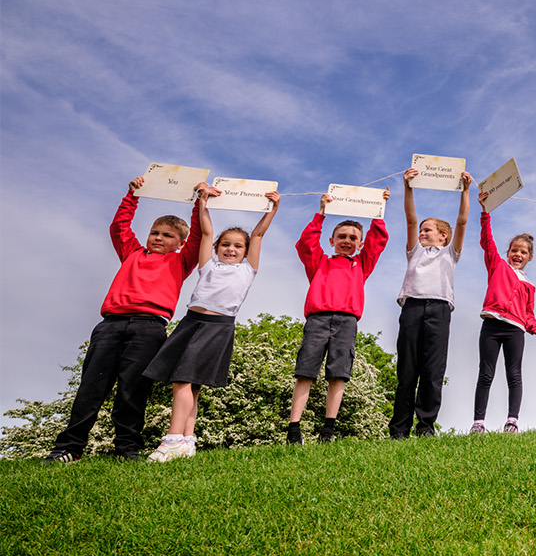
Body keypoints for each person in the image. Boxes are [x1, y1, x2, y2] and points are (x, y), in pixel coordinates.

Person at [45, 177, 206, 462]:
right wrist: (132, 195)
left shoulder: (181, 261)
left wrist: (199, 202)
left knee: (133, 391)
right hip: (110, 326)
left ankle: (127, 449)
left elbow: (197, 237)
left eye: (167, 235)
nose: (158, 237)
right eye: (155, 232)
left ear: (179, 244)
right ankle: (68, 448)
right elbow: (119, 227)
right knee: (91, 389)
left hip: (149, 328)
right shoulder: (132, 252)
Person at [146, 187, 279, 461]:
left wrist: (271, 209)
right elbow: (206, 232)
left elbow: (257, 235)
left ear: (245, 252)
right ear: (217, 248)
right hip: (191, 323)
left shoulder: (247, 269)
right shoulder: (208, 266)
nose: (231, 249)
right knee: (189, 385)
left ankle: (171, 440)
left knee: (182, 381)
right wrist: (202, 204)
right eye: (225, 244)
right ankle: (186, 440)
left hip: (217, 327)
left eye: (237, 246)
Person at [287, 189, 390, 443]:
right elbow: (306, 243)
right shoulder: (319, 262)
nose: (347, 241)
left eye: (353, 238)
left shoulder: (362, 264)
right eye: (341, 236)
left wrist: (379, 210)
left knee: (338, 374)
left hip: (346, 322)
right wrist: (321, 212)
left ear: (360, 244)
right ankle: (294, 429)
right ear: (331, 241)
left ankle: (328, 430)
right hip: (318, 320)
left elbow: (379, 240)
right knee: (305, 372)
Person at [389, 168, 471, 439]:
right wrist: (408, 187)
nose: (422, 233)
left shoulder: (450, 253)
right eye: (421, 230)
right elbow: (410, 219)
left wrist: (465, 191)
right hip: (412, 308)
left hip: (439, 309)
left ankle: (425, 427)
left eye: (428, 230)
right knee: (407, 370)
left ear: (443, 236)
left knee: (433, 370)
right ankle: (399, 429)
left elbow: (461, 222)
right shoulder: (415, 252)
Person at [471, 190, 536, 435]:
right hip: (492, 326)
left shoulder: (529, 284)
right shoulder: (497, 265)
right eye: (514, 250)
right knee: (486, 373)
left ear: (530, 258)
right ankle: (478, 423)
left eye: (523, 252)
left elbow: (529, 313)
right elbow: (487, 241)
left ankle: (512, 421)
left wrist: (535, 327)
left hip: (515, 330)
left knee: (514, 374)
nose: (518, 254)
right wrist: (485, 213)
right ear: (507, 252)